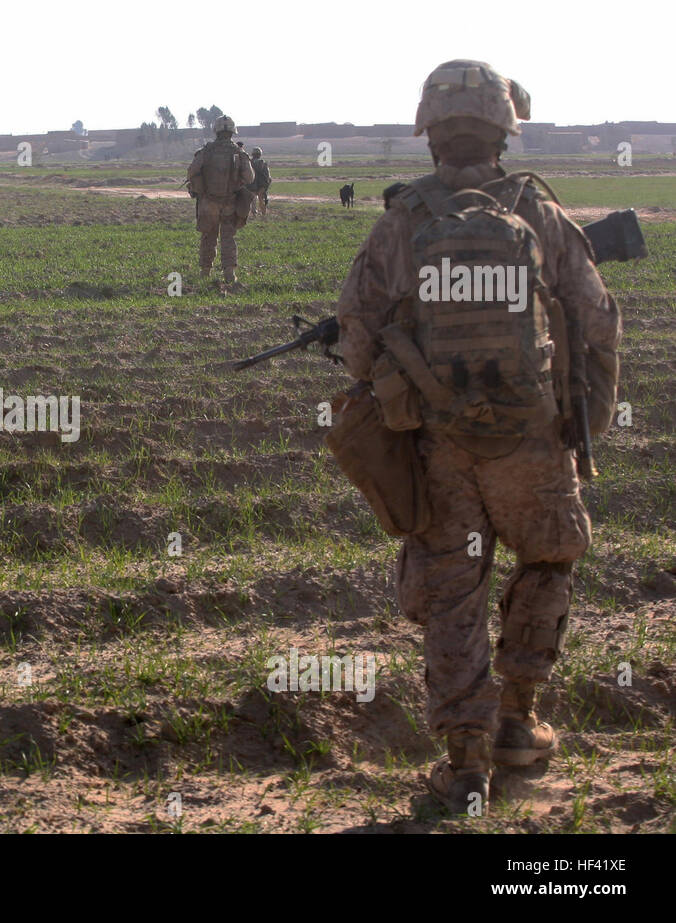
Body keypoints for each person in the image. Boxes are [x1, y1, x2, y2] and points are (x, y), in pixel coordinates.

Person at [334, 61, 622, 814]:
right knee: (551, 557)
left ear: (431, 133)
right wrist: (581, 420)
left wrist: (412, 390)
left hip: (444, 449)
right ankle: (519, 722)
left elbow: (360, 335)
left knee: (453, 591)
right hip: (533, 443)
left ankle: (464, 764)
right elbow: (597, 324)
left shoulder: (403, 220)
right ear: (503, 130)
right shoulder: (543, 215)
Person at [186, 116, 254, 284]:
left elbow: (191, 172)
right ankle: (229, 273)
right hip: (230, 202)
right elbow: (250, 178)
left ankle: (205, 272)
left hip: (208, 202)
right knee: (228, 237)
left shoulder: (206, 151)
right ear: (232, 131)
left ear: (216, 130)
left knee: (208, 236)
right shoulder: (239, 152)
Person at [248, 146, 271, 216]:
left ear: (252, 154)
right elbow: (268, 176)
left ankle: (253, 213)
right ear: (260, 154)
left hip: (252, 184)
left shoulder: (249, 163)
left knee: (252, 199)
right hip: (262, 185)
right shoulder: (263, 163)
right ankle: (263, 214)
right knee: (261, 199)